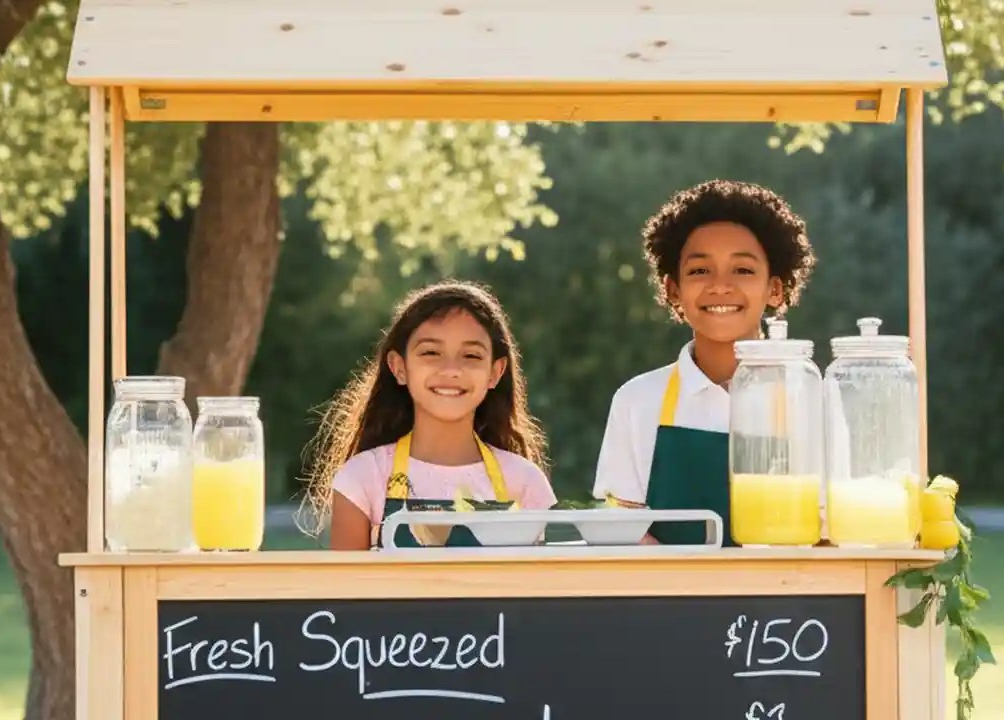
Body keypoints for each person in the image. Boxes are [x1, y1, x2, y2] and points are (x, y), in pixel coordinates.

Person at [592, 179, 815, 545]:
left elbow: (832, 527)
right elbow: (617, 525)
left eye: (743, 270)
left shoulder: (810, 395)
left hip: (786, 595)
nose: (720, 286)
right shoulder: (638, 400)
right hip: (673, 598)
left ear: (775, 288)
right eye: (699, 271)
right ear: (673, 290)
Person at [302, 279, 556, 550]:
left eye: (471, 356)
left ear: (495, 372)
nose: (450, 370)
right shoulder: (363, 477)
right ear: (399, 367)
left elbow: (533, 590)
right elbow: (344, 589)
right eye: (431, 352)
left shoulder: (525, 483)